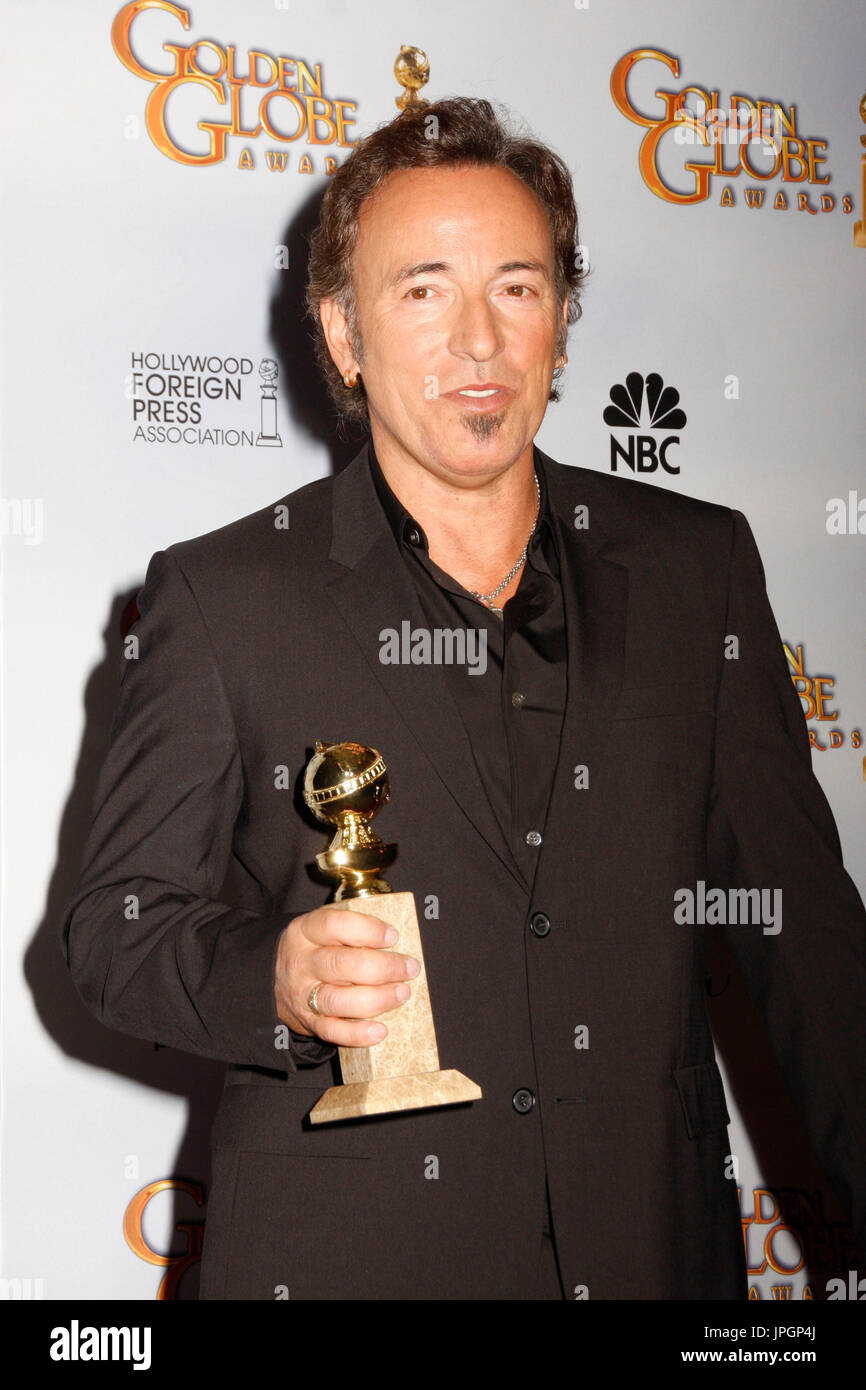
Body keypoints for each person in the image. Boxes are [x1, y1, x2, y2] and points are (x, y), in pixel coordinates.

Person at [62, 96, 866, 1300]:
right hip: (349, 1261)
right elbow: (109, 932)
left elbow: (804, 945)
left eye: (519, 289)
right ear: (342, 332)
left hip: (653, 1257)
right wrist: (272, 977)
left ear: (559, 323)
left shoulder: (699, 567)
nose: (479, 345)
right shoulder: (221, 596)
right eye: (424, 291)